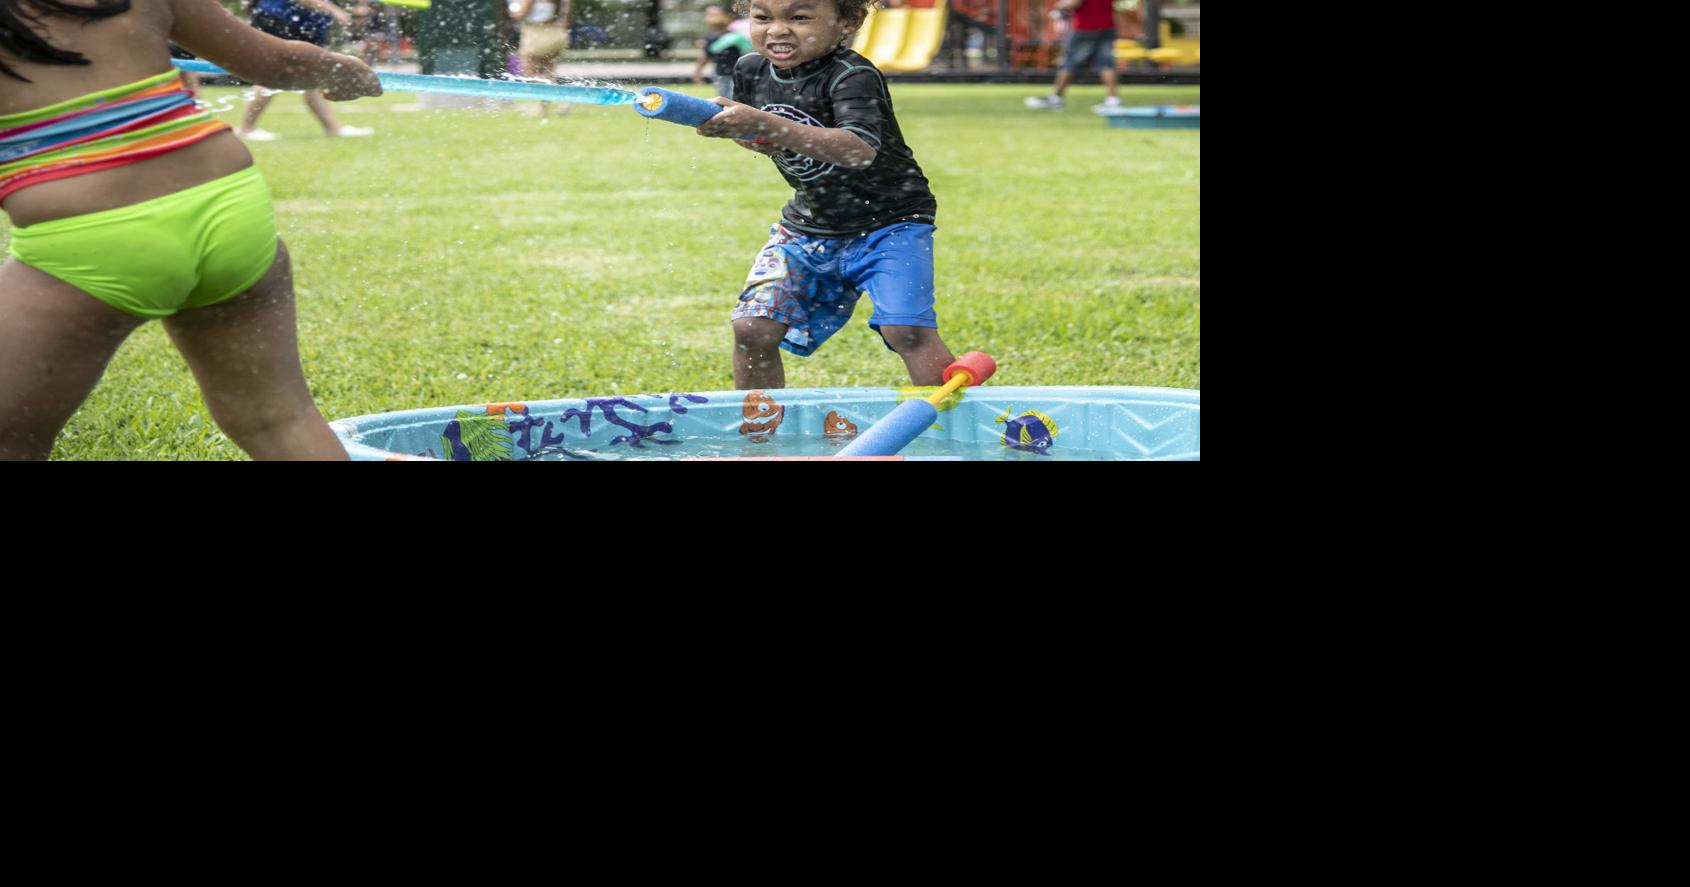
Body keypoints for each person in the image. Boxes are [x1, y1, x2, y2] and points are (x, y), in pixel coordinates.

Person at [0, 0, 382, 460]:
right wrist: (339, 67)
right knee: (281, 420)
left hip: (92, 235)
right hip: (229, 209)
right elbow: (276, 61)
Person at [696, 0, 956, 389]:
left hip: (891, 221)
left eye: (799, 18)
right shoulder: (750, 68)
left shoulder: (853, 74)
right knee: (753, 328)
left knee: (906, 330)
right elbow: (762, 137)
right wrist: (745, 133)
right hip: (809, 224)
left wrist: (765, 123)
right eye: (762, 17)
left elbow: (858, 149)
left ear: (848, 21)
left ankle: (958, 429)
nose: (778, 30)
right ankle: (760, 439)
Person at [236, 0, 374, 140]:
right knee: (273, 75)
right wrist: (335, 11)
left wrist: (358, 7)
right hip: (283, 20)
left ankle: (334, 128)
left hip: (306, 24)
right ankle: (246, 129)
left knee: (315, 76)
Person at [1024, 0, 1121, 113]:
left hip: (1086, 27)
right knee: (1106, 63)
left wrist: (1060, 5)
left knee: (1070, 63)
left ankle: (1055, 98)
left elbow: (1075, 2)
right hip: (1107, 26)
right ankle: (1113, 100)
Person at [509, 0, 571, 116]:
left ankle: (559, 100)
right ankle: (546, 107)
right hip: (553, 35)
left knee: (531, 73)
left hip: (535, 36)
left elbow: (520, 15)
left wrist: (514, 10)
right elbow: (562, 15)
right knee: (548, 73)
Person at [692, 4, 752, 99]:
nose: (711, 18)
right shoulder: (710, 38)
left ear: (727, 17)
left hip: (736, 73)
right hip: (719, 74)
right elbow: (706, 56)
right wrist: (697, 72)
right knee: (722, 97)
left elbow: (748, 53)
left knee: (735, 97)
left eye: (715, 14)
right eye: (708, 15)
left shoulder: (736, 37)